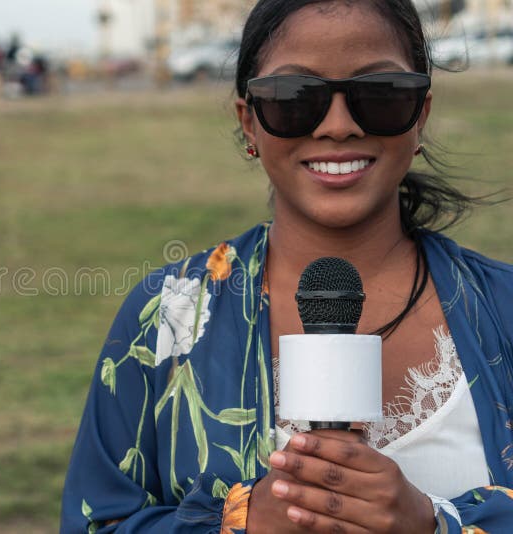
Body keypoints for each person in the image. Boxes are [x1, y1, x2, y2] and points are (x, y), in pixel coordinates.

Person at [61, 0, 513, 532]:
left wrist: (434, 523)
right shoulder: (166, 319)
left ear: (421, 116)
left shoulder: (503, 309)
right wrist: (243, 522)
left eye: (381, 94)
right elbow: (96, 520)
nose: (338, 126)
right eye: (295, 98)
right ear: (249, 121)